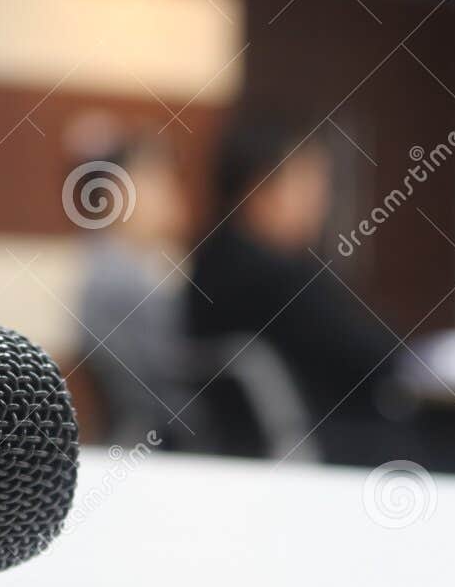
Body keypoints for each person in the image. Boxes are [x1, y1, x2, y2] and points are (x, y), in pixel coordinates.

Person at [183, 112, 405, 462]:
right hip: (323, 447)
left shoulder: (210, 260)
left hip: (265, 449)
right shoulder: (272, 275)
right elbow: (376, 355)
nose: (320, 200)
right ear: (258, 189)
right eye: (305, 182)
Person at [71, 126, 199, 446]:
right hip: (148, 446)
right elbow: (164, 391)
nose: (171, 195)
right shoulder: (118, 280)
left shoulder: (125, 267)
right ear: (114, 192)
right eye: (156, 180)